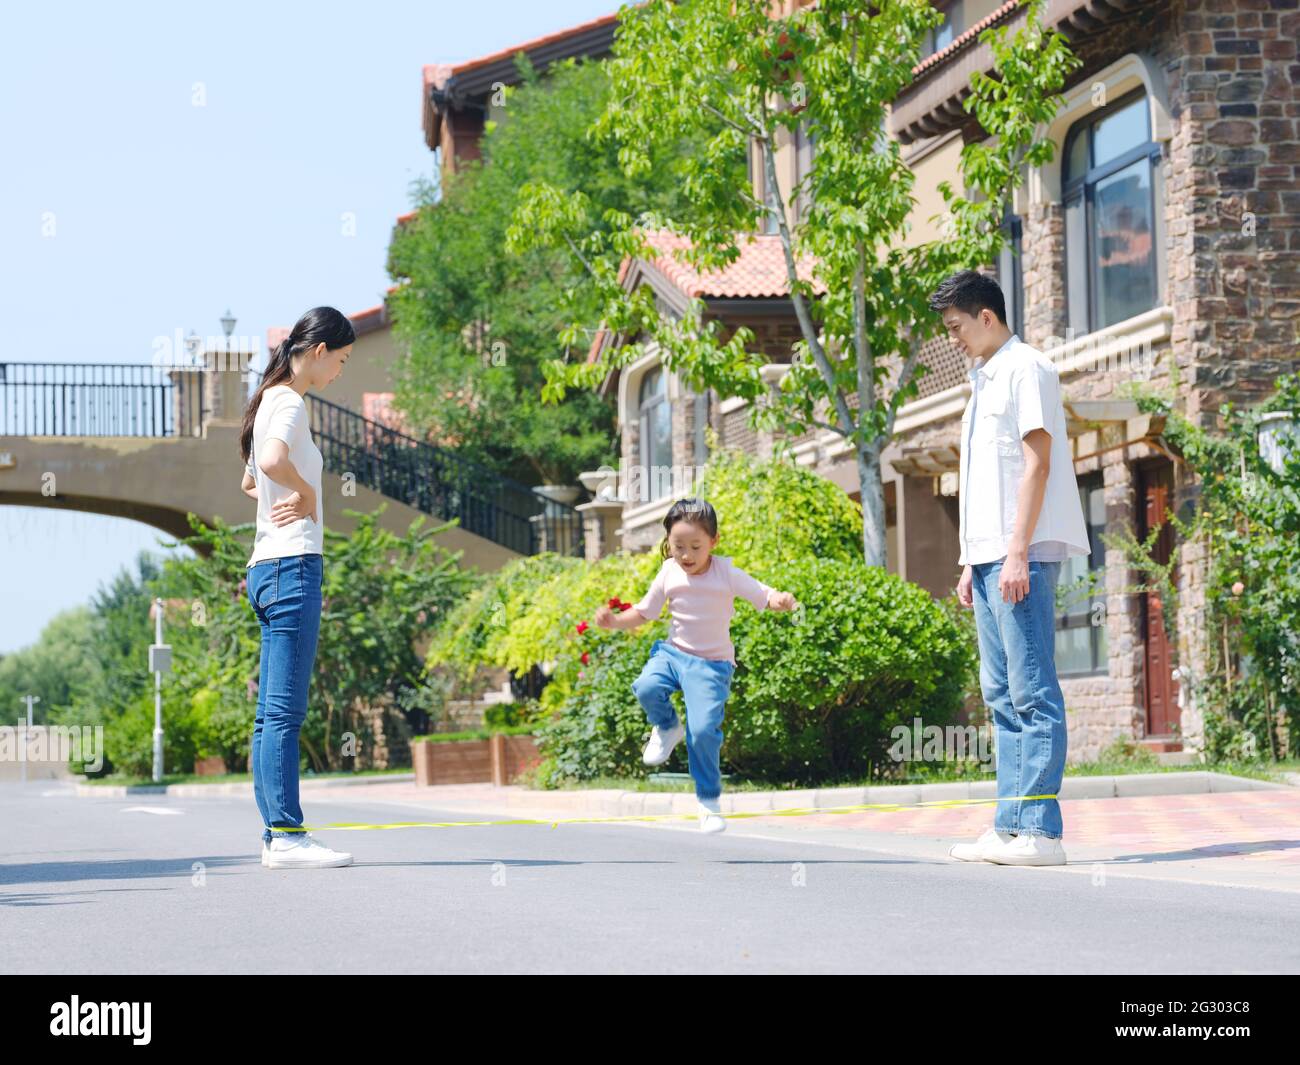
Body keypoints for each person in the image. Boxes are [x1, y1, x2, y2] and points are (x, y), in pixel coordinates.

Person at [929, 270, 1089, 867]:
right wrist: (972, 561)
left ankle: (1042, 833)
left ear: (987, 318)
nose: (953, 340)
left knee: (1033, 692)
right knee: (1000, 694)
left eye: (956, 327)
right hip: (991, 557)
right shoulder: (983, 382)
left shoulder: (1028, 369)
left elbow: (1036, 463)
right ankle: (1007, 825)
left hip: (1021, 554)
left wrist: (1017, 549)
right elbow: (982, 484)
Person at [594, 498, 797, 833]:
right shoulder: (668, 571)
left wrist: (782, 600)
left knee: (703, 732)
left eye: (695, 546)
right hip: (673, 654)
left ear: (713, 542)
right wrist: (614, 622)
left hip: (712, 666)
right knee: (646, 686)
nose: (686, 555)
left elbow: (762, 594)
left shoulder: (727, 573)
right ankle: (667, 726)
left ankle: (708, 803)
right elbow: (645, 612)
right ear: (668, 544)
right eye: (678, 546)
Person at [239, 306, 354, 870]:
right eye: (341, 358)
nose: (341, 370)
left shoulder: (265, 401)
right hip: (291, 567)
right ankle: (286, 834)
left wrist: (279, 492)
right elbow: (269, 461)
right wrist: (307, 494)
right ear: (316, 350)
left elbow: (249, 478)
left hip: (265, 568)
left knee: (269, 714)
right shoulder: (289, 401)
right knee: (283, 712)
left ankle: (274, 833)